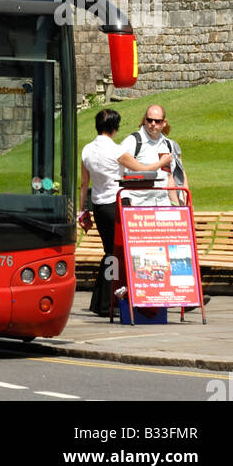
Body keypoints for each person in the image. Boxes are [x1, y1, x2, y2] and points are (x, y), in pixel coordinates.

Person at [80, 108, 172, 317]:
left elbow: (84, 183)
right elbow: (142, 169)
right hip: (117, 203)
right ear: (115, 128)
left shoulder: (86, 150)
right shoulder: (115, 150)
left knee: (109, 252)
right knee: (118, 254)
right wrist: (162, 162)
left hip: (98, 205)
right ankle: (108, 302)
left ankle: (102, 302)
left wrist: (82, 211)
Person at [122, 105, 186, 206]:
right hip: (138, 206)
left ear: (164, 123)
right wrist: (127, 202)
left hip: (163, 205)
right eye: (149, 120)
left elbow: (169, 178)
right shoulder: (132, 142)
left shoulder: (167, 145)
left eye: (157, 121)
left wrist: (177, 206)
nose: (153, 124)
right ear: (144, 120)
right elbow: (120, 174)